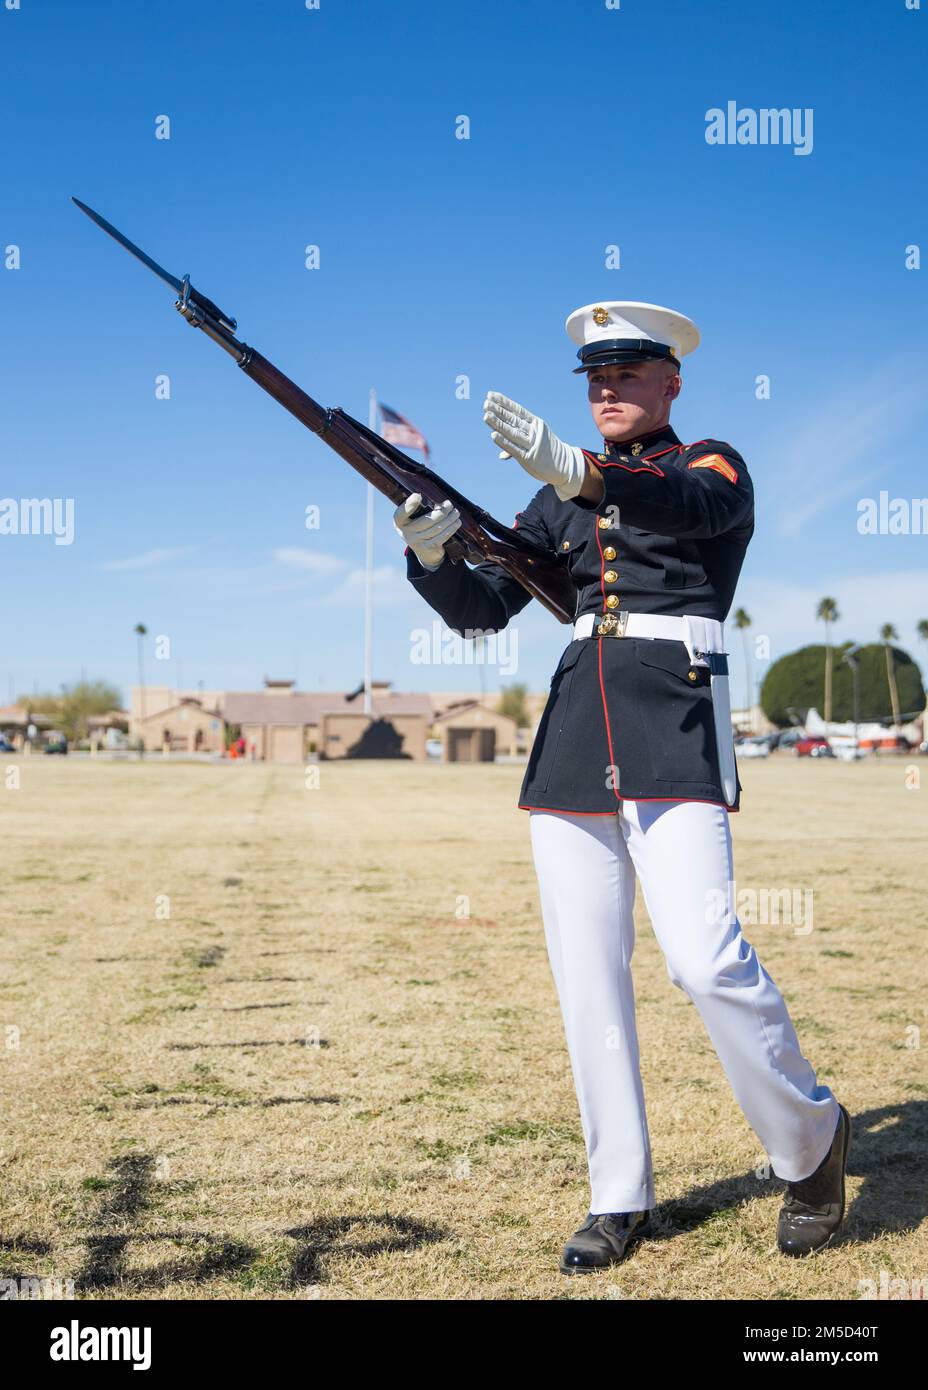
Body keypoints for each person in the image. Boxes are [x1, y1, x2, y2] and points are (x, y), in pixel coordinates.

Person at [395, 301, 850, 1274]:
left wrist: (581, 471)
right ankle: (618, 1191)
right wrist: (430, 552)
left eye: (626, 375)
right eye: (593, 379)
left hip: (672, 722)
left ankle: (810, 1144)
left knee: (704, 961)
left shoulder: (710, 465)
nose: (606, 389)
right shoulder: (552, 500)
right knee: (585, 977)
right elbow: (483, 611)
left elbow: (684, 510)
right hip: (572, 733)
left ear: (670, 383)